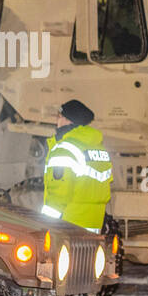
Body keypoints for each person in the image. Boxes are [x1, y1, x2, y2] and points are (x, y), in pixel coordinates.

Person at [42, 99, 113, 231]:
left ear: (69, 120)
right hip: (93, 223)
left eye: (59, 116)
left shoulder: (65, 149)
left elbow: (58, 193)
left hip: (68, 224)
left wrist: (46, 224)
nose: (57, 121)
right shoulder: (99, 149)